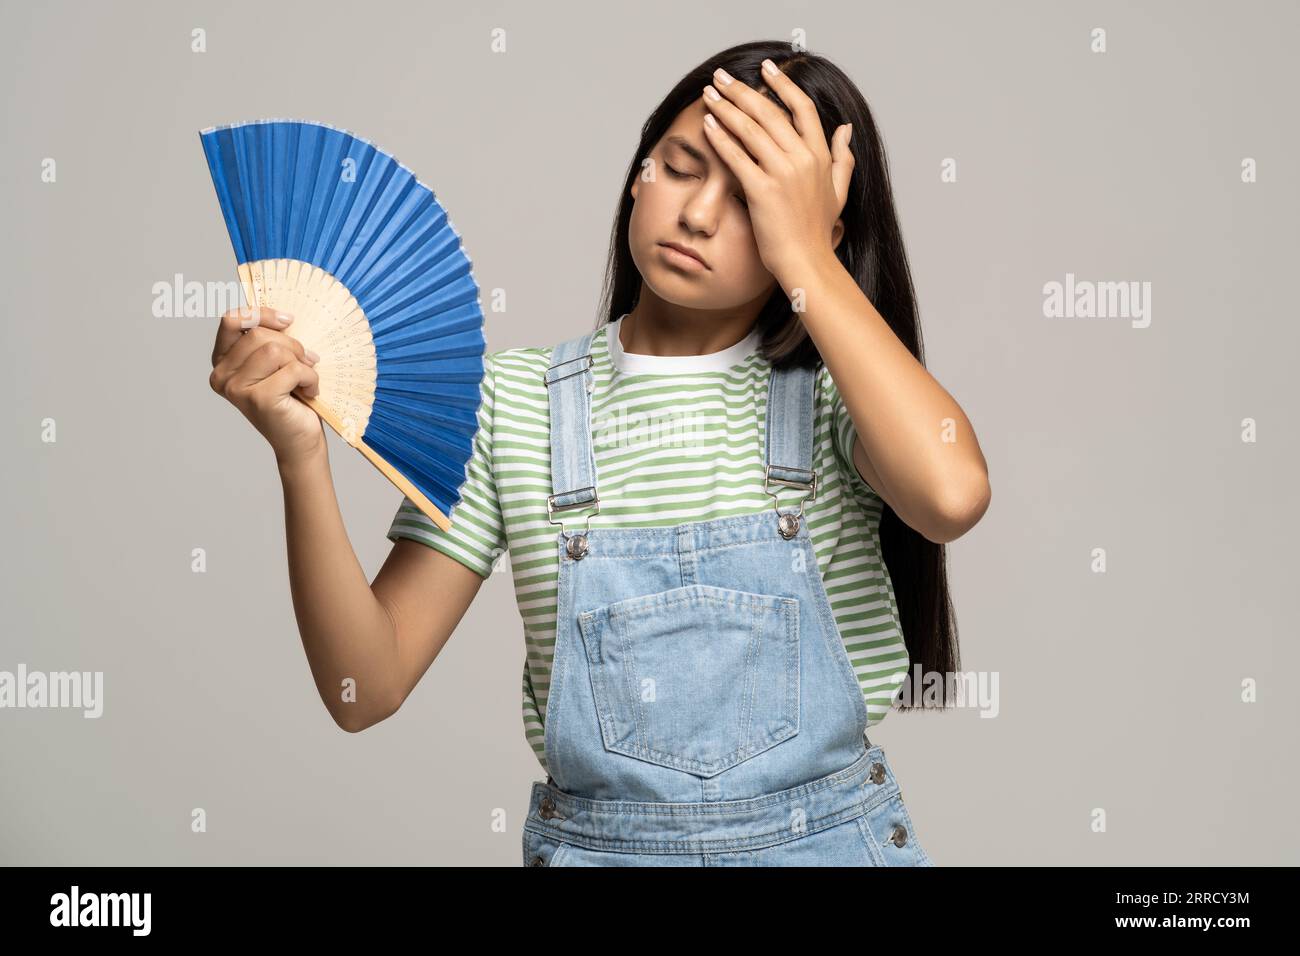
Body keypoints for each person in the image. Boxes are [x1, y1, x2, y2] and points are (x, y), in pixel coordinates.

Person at [208, 40, 991, 867]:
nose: (697, 215)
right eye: (682, 166)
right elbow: (362, 688)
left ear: (816, 228)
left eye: (755, 197)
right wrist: (300, 458)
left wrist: (806, 259)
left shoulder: (839, 393)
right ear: (638, 169)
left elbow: (950, 497)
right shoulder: (513, 404)